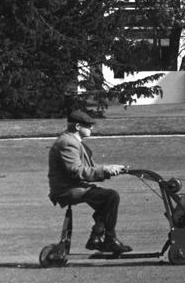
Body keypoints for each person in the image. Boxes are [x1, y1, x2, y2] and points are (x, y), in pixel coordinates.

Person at [47, 109, 132, 254]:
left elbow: (91, 167)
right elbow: (77, 171)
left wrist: (113, 168)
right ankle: (103, 238)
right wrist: (105, 170)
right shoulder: (68, 143)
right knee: (111, 197)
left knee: (108, 200)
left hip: (74, 186)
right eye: (88, 125)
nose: (91, 128)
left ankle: (99, 238)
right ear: (78, 127)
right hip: (67, 189)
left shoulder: (73, 141)